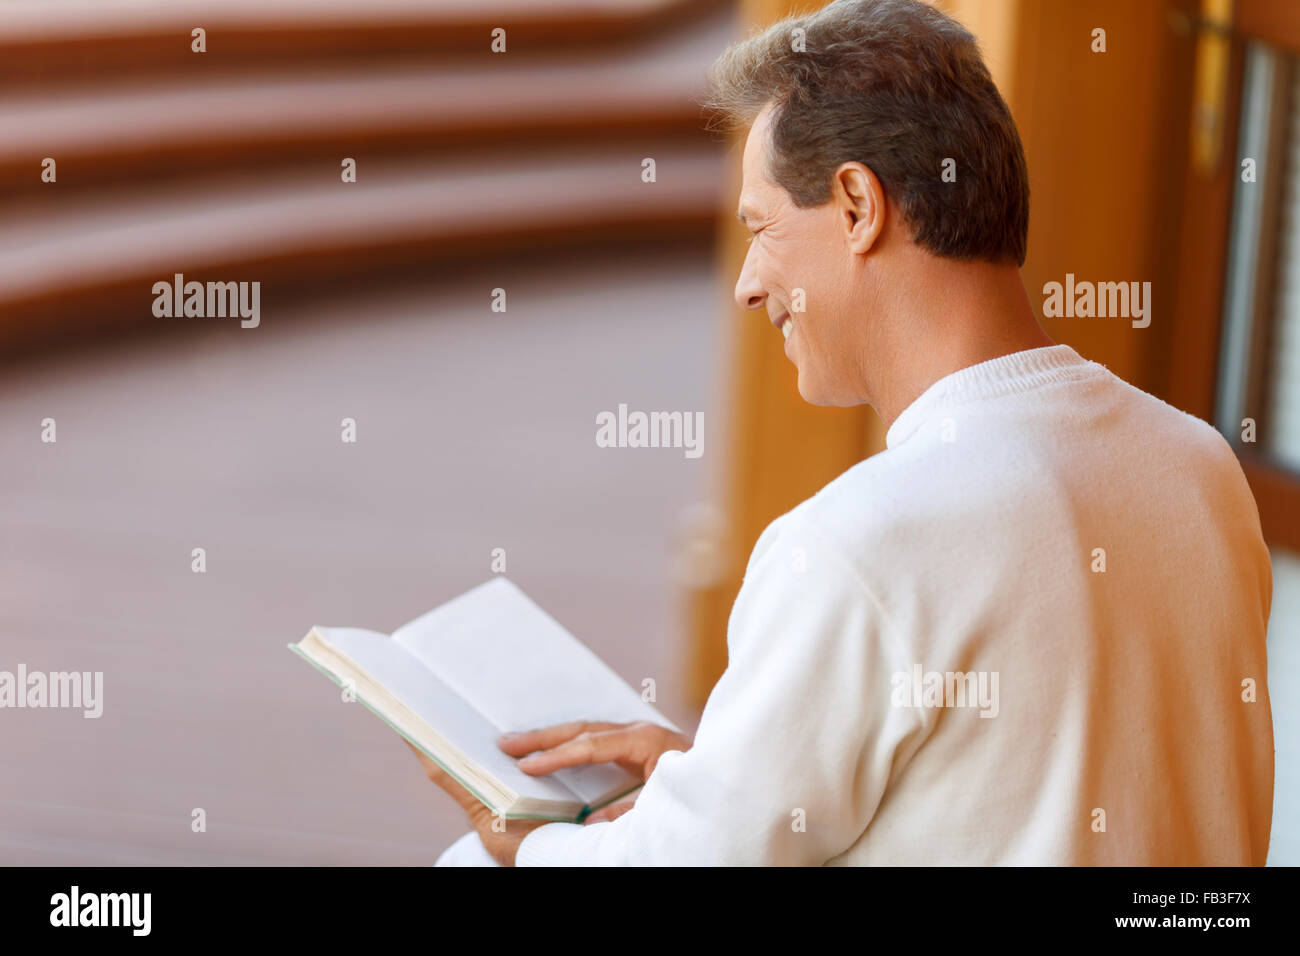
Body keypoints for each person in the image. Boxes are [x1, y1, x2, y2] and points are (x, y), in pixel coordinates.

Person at [418, 0, 1275, 865]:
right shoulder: (1200, 466)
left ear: (859, 206)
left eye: (762, 227)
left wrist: (524, 845)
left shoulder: (857, 544)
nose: (749, 285)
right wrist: (716, 779)